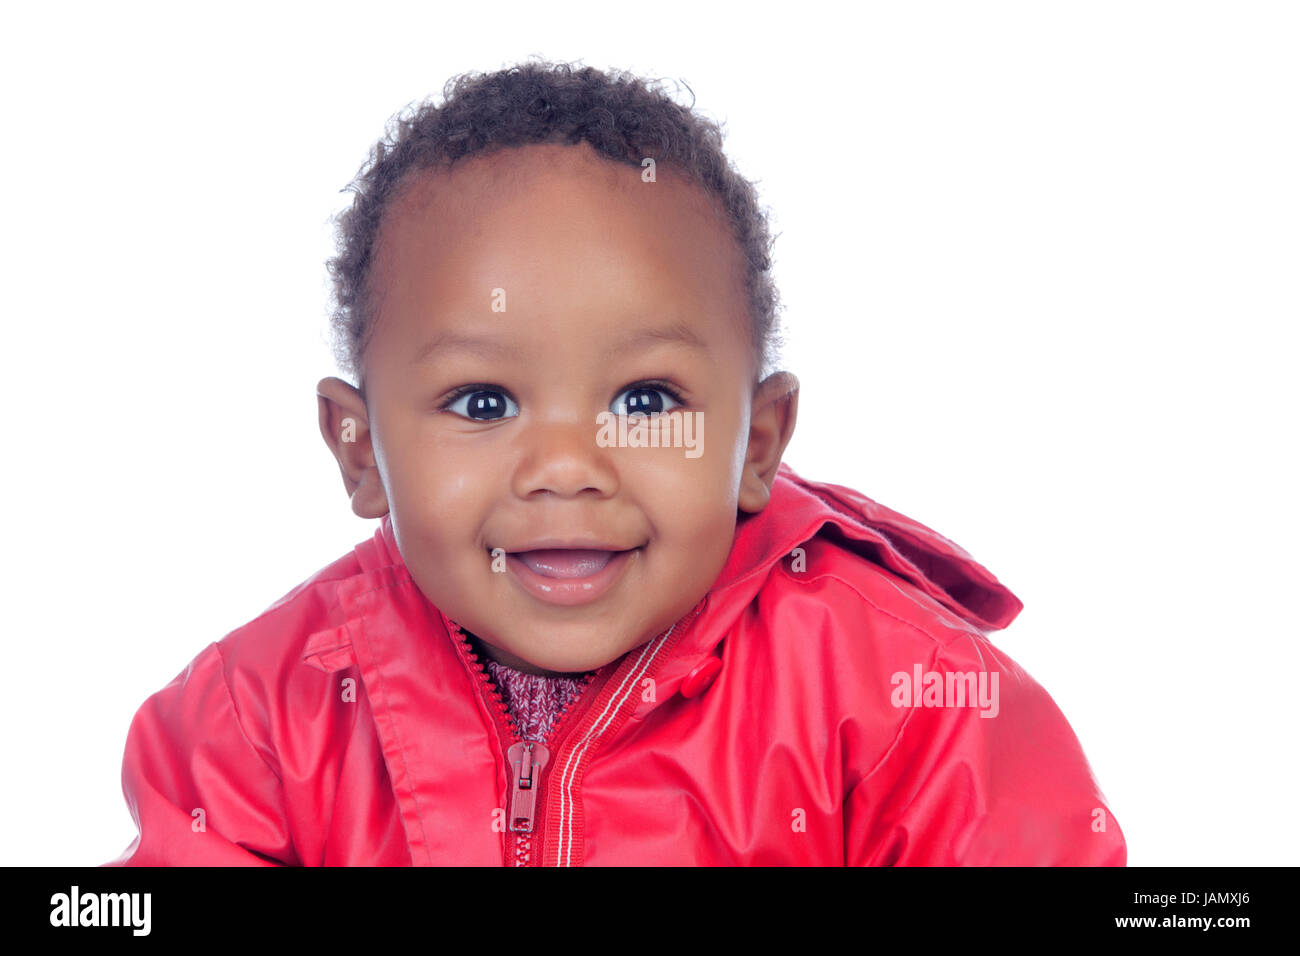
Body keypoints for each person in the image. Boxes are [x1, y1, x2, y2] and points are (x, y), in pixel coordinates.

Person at [106, 59, 1125, 866]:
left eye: (645, 400)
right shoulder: (256, 720)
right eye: (482, 401)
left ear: (756, 441)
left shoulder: (908, 699)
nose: (565, 466)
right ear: (359, 448)